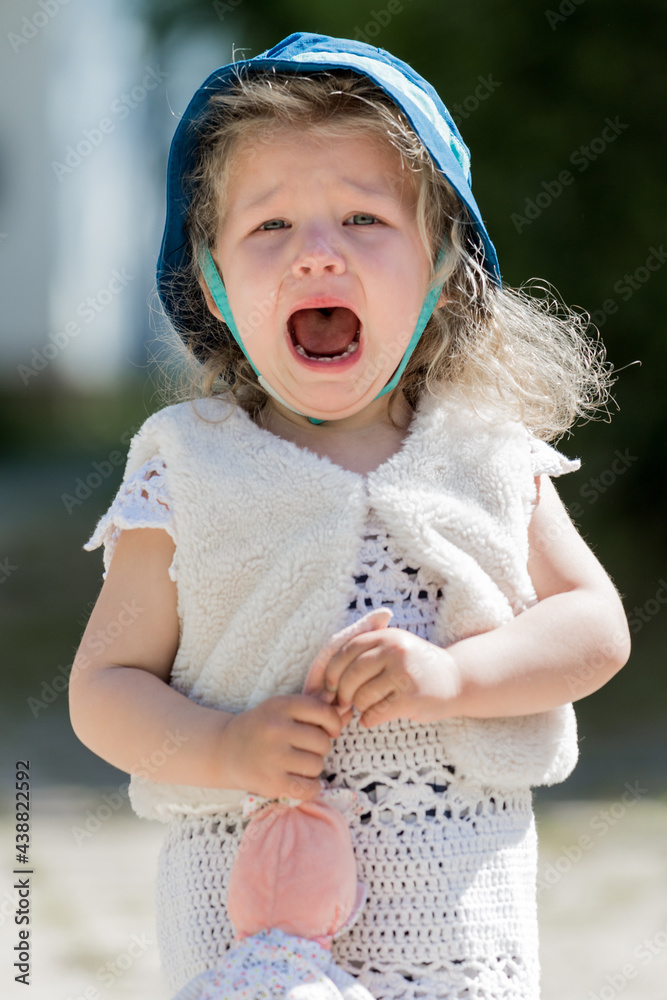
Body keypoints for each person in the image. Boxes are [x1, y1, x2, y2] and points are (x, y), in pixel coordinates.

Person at [69, 31, 631, 1000]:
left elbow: (594, 629)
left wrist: (457, 676)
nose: (315, 253)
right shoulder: (188, 467)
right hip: (246, 930)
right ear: (214, 283)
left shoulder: (484, 453)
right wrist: (221, 747)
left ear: (440, 264)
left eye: (364, 218)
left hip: (453, 929)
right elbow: (104, 687)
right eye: (270, 226)